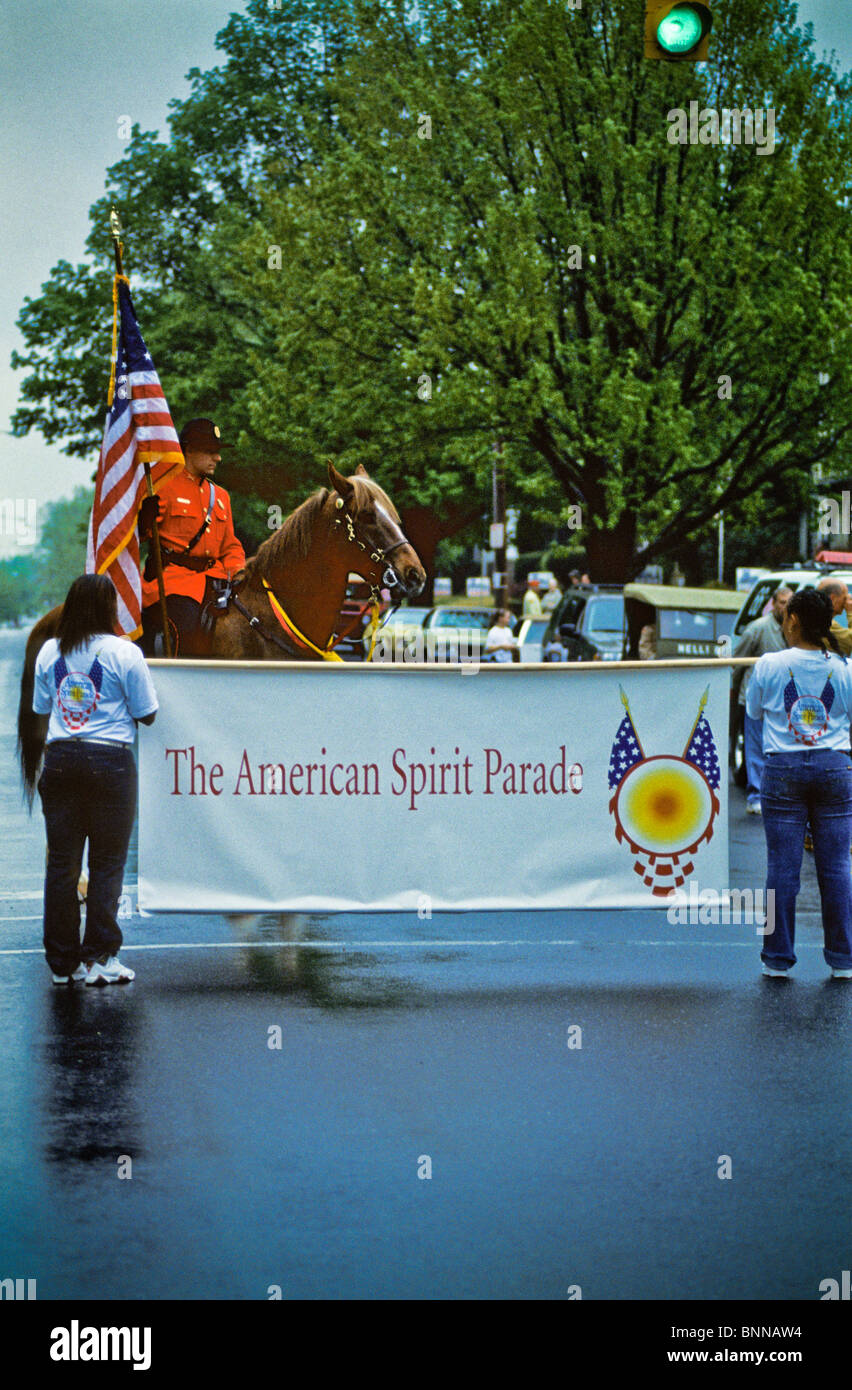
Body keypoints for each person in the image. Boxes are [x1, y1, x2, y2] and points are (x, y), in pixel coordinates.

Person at [32, 574, 159, 986]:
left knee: (62, 865)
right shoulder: (126, 652)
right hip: (111, 763)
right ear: (109, 609)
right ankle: (99, 959)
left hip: (61, 759)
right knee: (106, 864)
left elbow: (42, 706)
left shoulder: (50, 652)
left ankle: (62, 963)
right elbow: (147, 713)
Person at [746, 586, 852, 979]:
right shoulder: (844, 668)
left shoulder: (770, 665)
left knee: (782, 868)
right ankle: (843, 958)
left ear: (792, 620)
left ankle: (777, 957)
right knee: (837, 866)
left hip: (783, 769)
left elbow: (754, 712)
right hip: (835, 767)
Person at [139, 417, 246, 656]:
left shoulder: (220, 496)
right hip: (173, 583)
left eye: (217, 452)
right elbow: (140, 536)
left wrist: (238, 572)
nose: (217, 458)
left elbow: (230, 546)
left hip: (216, 580)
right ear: (188, 450)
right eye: (210, 452)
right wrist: (142, 520)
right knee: (186, 628)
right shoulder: (161, 487)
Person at [733, 584, 792, 814]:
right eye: (782, 602)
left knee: (781, 748)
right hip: (755, 698)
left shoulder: (796, 629)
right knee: (755, 747)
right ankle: (756, 795)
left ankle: (777, 793)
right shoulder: (757, 628)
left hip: (784, 701)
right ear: (773, 603)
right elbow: (737, 664)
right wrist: (735, 691)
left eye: (789, 602)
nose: (785, 607)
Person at [816, 577, 852, 656]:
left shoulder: (814, 615)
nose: (845, 603)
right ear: (832, 598)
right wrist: (850, 612)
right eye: (844, 598)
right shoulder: (825, 622)